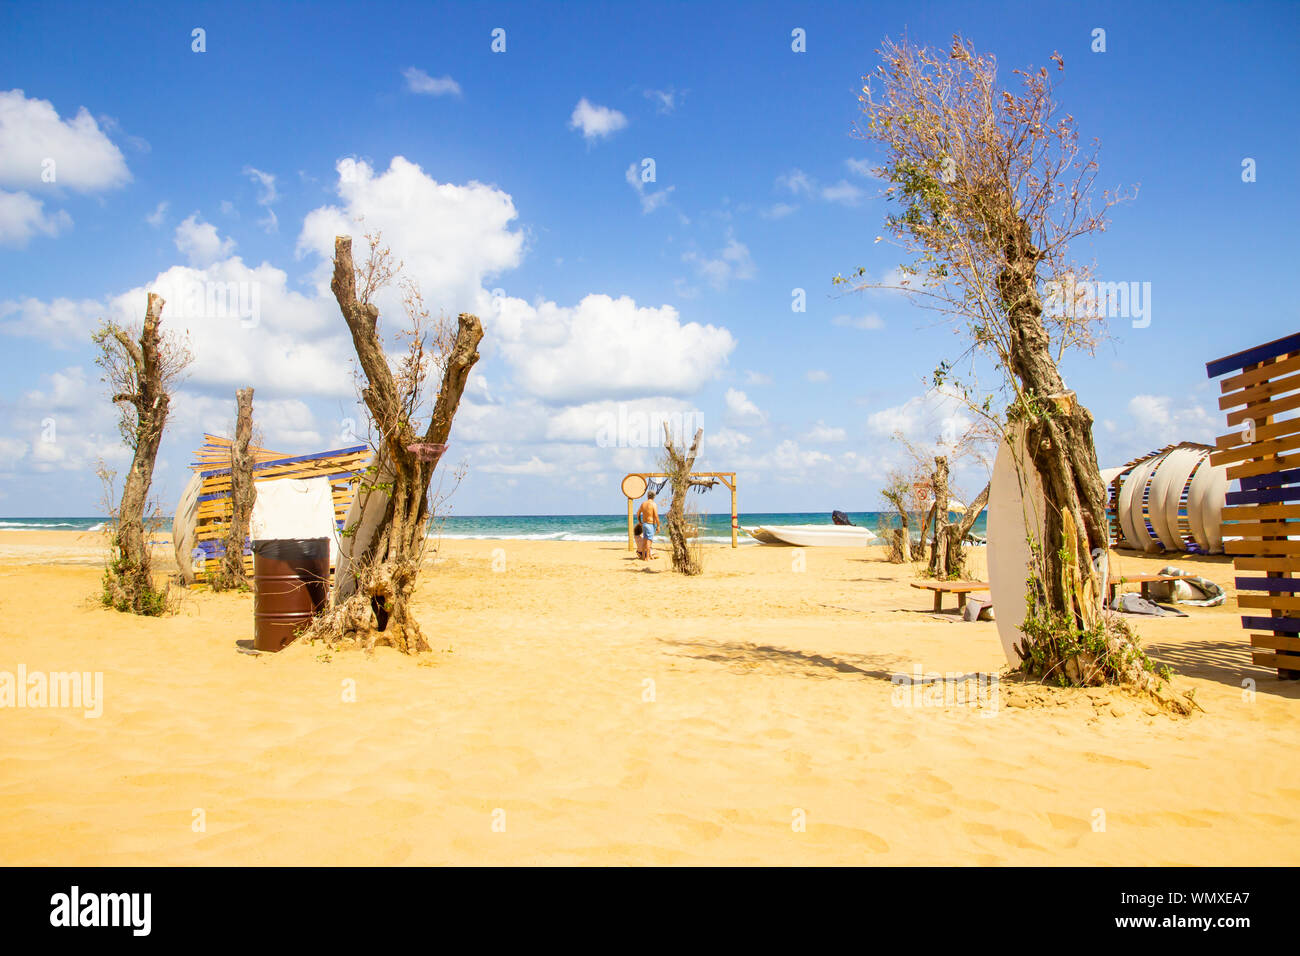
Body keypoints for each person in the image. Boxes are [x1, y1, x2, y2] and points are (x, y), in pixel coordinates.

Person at [637, 492, 659, 560]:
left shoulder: (643, 504)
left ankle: (643, 556)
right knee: (649, 541)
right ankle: (647, 557)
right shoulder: (653, 504)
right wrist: (658, 525)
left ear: (647, 496)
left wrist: (640, 521)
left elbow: (638, 513)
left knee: (644, 540)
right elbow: (655, 515)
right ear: (654, 497)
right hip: (650, 524)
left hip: (644, 524)